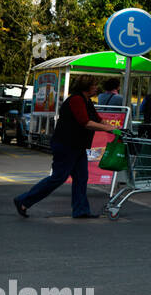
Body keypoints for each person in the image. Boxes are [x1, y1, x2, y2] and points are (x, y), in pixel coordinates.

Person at [13, 76, 121, 218]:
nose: (96, 88)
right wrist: (108, 129)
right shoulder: (76, 100)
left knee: (81, 178)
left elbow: (96, 118)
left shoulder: (86, 100)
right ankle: (23, 200)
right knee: (58, 177)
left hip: (77, 146)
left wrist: (113, 127)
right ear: (86, 86)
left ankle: (81, 210)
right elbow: (85, 122)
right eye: (94, 85)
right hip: (66, 145)